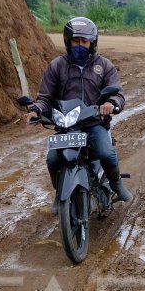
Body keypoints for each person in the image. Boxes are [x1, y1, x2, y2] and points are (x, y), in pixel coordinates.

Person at [23, 16, 133, 207]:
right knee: (52, 159)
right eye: (76, 41)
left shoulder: (104, 66)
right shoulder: (57, 66)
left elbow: (118, 95)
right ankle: (60, 195)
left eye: (84, 41)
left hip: (94, 124)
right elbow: (45, 96)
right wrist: (36, 110)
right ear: (68, 41)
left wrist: (110, 103)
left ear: (92, 42)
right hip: (66, 128)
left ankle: (116, 184)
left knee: (106, 153)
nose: (80, 45)